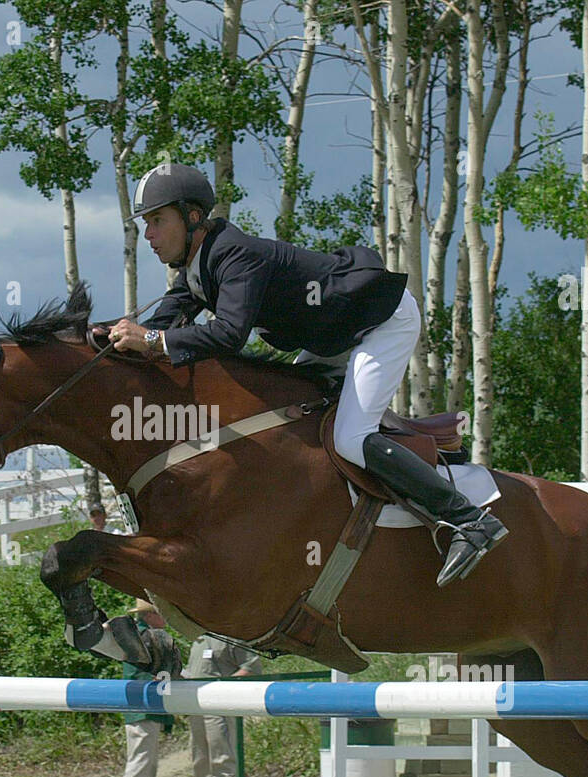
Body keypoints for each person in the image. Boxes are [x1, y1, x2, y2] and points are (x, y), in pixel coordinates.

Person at [109, 163, 507, 586]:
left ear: (191, 217)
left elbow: (227, 335)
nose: (148, 235)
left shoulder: (234, 255)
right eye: (147, 224)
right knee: (288, 421)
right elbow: (163, 323)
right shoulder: (198, 266)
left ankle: (467, 519)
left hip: (380, 321)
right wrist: (105, 338)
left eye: (156, 221)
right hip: (333, 338)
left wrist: (150, 340)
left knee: (350, 437)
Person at [183, 635, 261, 777]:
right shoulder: (198, 638)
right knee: (200, 759)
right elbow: (191, 672)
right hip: (195, 706)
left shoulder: (232, 636)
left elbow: (250, 668)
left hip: (219, 708)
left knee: (222, 757)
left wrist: (222, 688)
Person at [119, 601, 175, 777]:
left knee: (145, 759)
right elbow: (157, 673)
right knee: (142, 759)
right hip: (145, 707)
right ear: (150, 615)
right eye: (162, 612)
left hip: (141, 707)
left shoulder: (139, 636)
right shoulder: (149, 637)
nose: (166, 617)